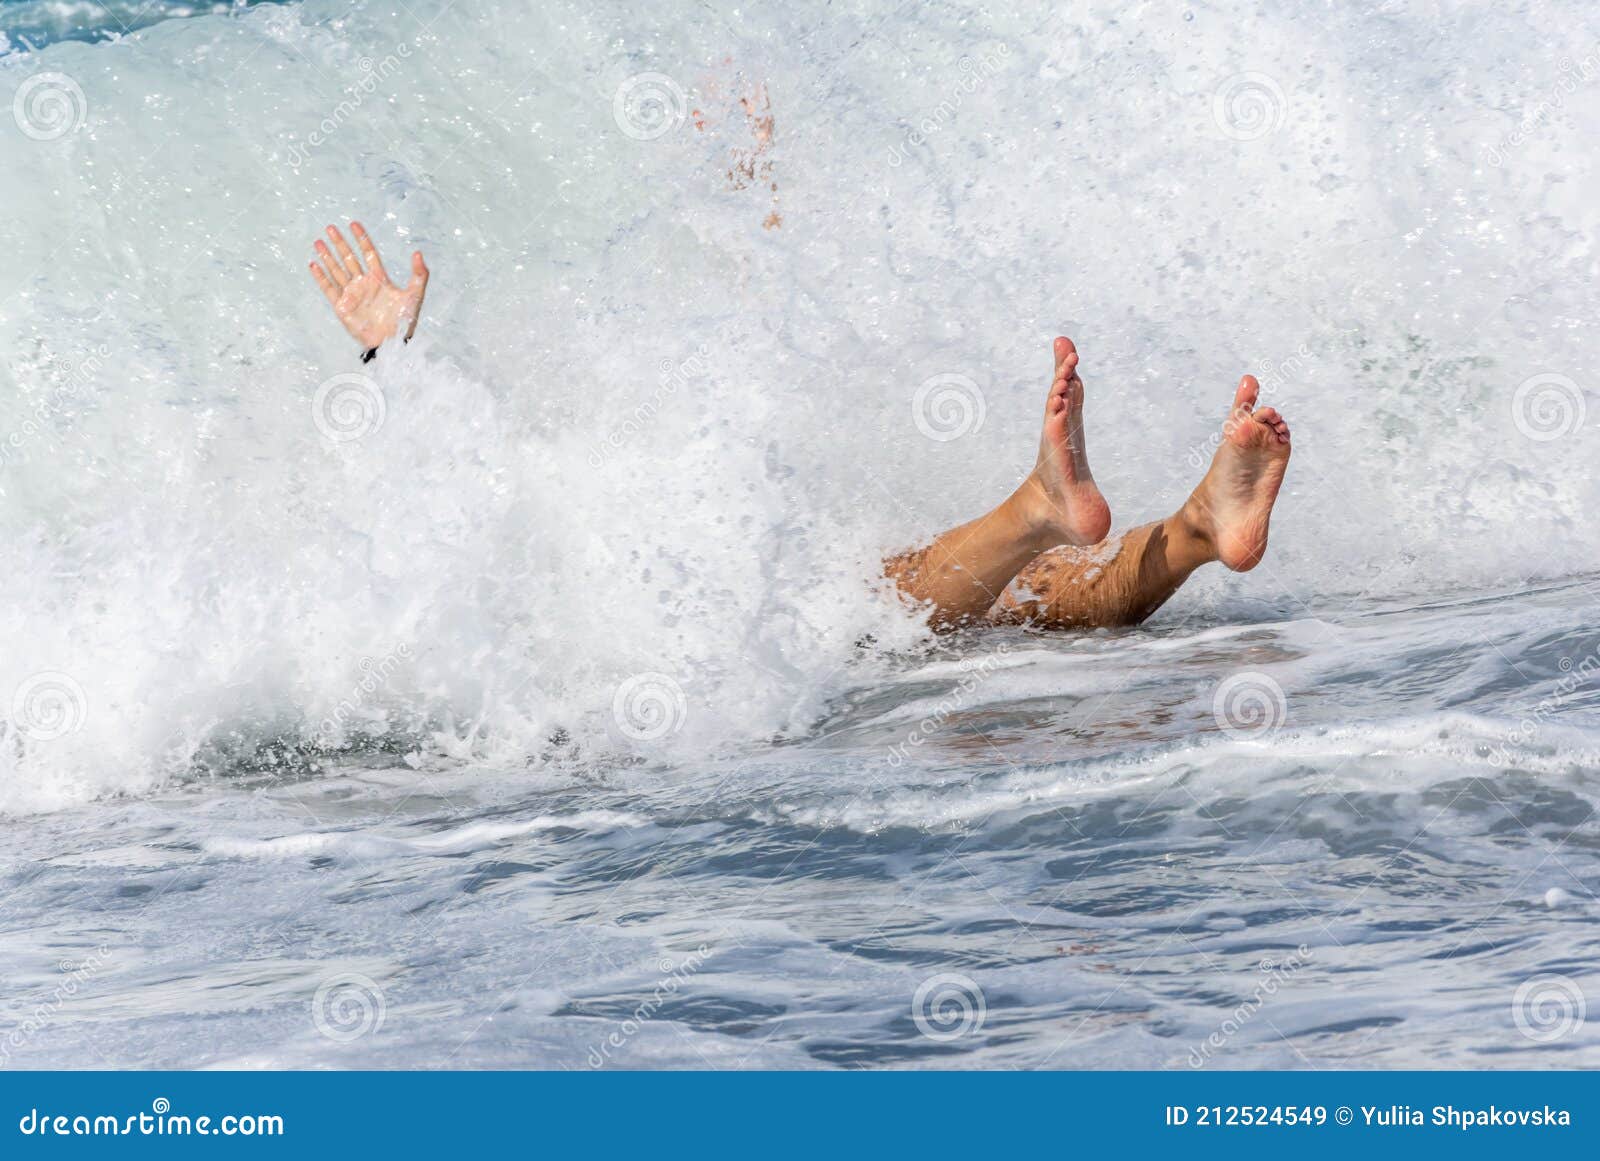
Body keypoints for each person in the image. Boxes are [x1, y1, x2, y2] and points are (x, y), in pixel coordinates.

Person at [308, 223, 1291, 632]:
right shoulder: (564, 523)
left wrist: (396, 358)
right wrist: (396, 355)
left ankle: (1194, 531)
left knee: (1021, 606)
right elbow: (447, 493)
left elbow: (434, 485)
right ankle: (1078, 511)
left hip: (722, 632)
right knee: (913, 602)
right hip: (717, 625)